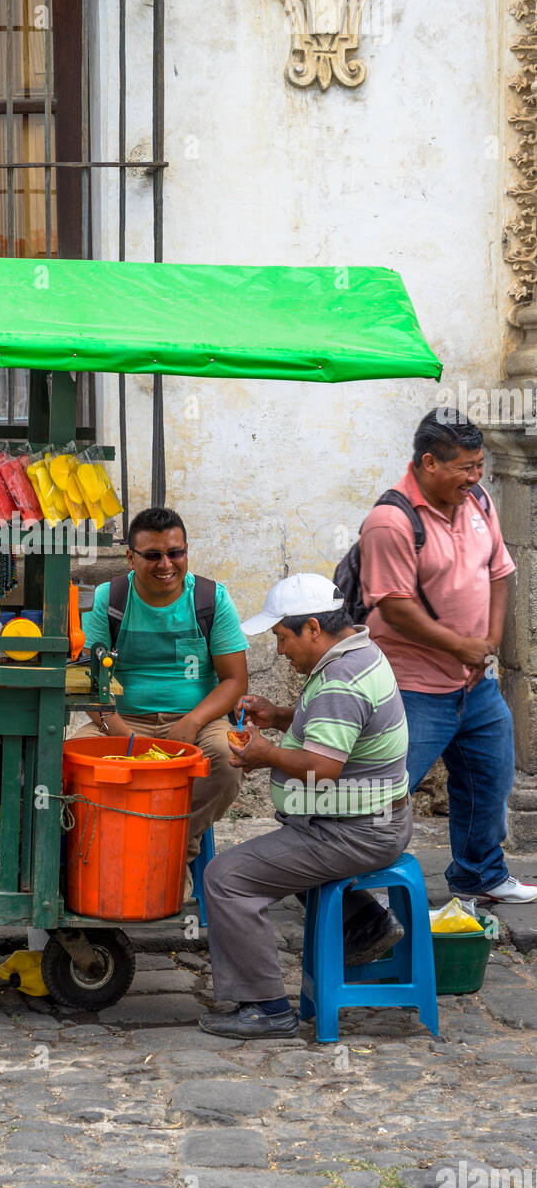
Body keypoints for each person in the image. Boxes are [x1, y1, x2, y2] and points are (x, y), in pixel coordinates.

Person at [198, 574, 412, 1040]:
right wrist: (278, 718)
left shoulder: (341, 679)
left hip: (357, 830)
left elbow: (322, 767)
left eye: (281, 637)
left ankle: (267, 1007)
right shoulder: (359, 653)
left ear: (313, 628)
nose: (279, 651)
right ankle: (365, 921)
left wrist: (265, 753)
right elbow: (337, 726)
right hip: (371, 819)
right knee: (282, 841)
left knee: (225, 878)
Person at [359, 408, 536, 903]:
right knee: (388, 790)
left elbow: (501, 571)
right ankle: (351, 883)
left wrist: (491, 641)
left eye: (479, 464)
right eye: (465, 466)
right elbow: (393, 608)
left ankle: (480, 875)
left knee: (489, 780)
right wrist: (461, 645)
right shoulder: (390, 521)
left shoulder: (477, 500)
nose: (475, 476)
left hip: (476, 685)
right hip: (411, 687)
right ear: (429, 462)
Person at [78, 507, 248, 871]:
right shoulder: (109, 601)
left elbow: (234, 679)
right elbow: (93, 683)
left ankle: (168, 851)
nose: (166, 564)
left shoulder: (210, 599)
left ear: (186, 551)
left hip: (198, 723)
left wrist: (192, 722)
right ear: (130, 557)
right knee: (72, 760)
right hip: (121, 721)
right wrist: (125, 735)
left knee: (227, 760)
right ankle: (107, 855)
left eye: (175, 553)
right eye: (153, 555)